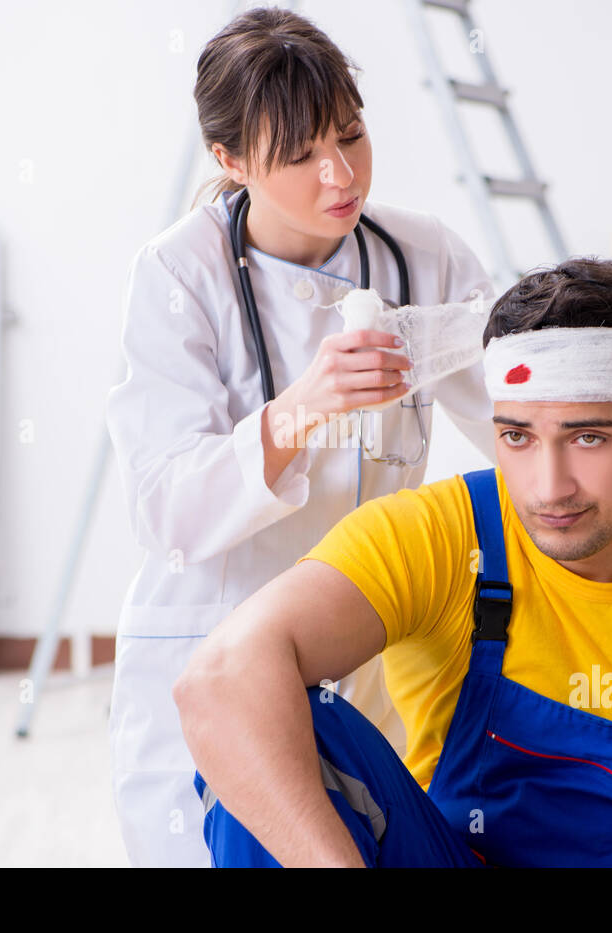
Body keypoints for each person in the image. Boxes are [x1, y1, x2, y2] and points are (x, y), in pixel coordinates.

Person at [174, 256, 612, 867]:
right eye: (517, 436)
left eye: (589, 437)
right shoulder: (447, 537)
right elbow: (217, 681)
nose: (548, 486)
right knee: (276, 727)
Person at [104, 7, 501, 867]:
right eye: (299, 156)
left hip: (358, 657)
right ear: (230, 161)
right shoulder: (178, 276)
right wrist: (300, 410)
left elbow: (515, 396)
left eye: (351, 136)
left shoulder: (420, 254)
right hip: (207, 651)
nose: (339, 174)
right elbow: (166, 511)